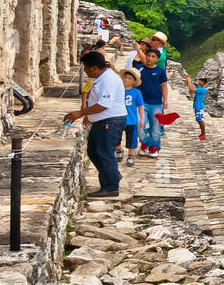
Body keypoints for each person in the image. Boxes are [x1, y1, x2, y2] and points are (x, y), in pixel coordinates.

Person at [64, 51, 126, 197]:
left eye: (85, 68)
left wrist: (80, 113)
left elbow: (104, 104)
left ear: (94, 68)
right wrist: (89, 115)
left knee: (104, 152)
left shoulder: (108, 80)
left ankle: (110, 186)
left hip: (110, 121)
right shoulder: (100, 78)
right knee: (93, 151)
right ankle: (112, 175)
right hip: (102, 120)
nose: (84, 71)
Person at [132, 47, 168, 158]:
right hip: (140, 103)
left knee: (155, 126)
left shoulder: (160, 71)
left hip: (156, 103)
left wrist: (165, 99)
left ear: (157, 59)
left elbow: (164, 86)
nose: (150, 58)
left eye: (153, 57)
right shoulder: (138, 68)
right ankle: (144, 142)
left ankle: (154, 147)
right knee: (139, 123)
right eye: (148, 55)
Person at [119, 69, 144, 167]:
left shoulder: (136, 92)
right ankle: (119, 150)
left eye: (129, 78)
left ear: (134, 81)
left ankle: (130, 155)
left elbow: (140, 106)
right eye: (125, 77)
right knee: (117, 137)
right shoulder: (118, 90)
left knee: (132, 139)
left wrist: (142, 118)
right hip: (119, 118)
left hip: (131, 119)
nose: (126, 80)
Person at [185, 74, 207, 141]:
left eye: (200, 81)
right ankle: (202, 133)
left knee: (200, 120)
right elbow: (191, 92)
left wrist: (189, 82)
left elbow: (191, 90)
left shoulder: (202, 89)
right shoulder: (199, 89)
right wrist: (189, 83)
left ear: (203, 82)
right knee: (198, 120)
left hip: (199, 106)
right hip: (197, 106)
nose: (198, 82)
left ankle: (204, 134)